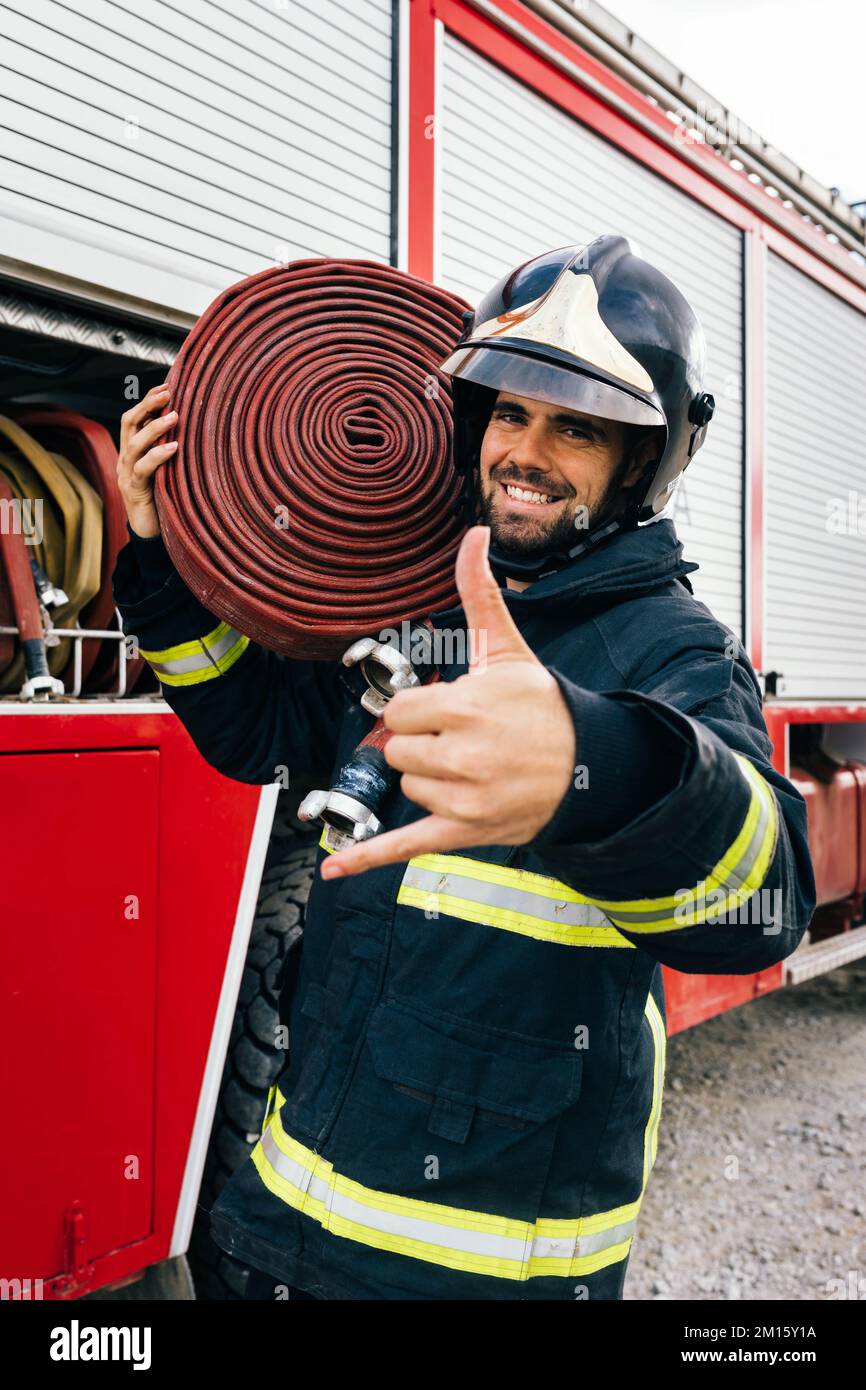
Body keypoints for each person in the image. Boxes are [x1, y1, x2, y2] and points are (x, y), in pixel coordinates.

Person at [112, 236, 815, 1302]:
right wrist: (161, 561)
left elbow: (761, 897)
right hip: (277, 1243)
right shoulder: (429, 613)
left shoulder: (676, 655)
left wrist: (594, 766)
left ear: (647, 457)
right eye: (507, 411)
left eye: (576, 425)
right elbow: (261, 730)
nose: (523, 452)